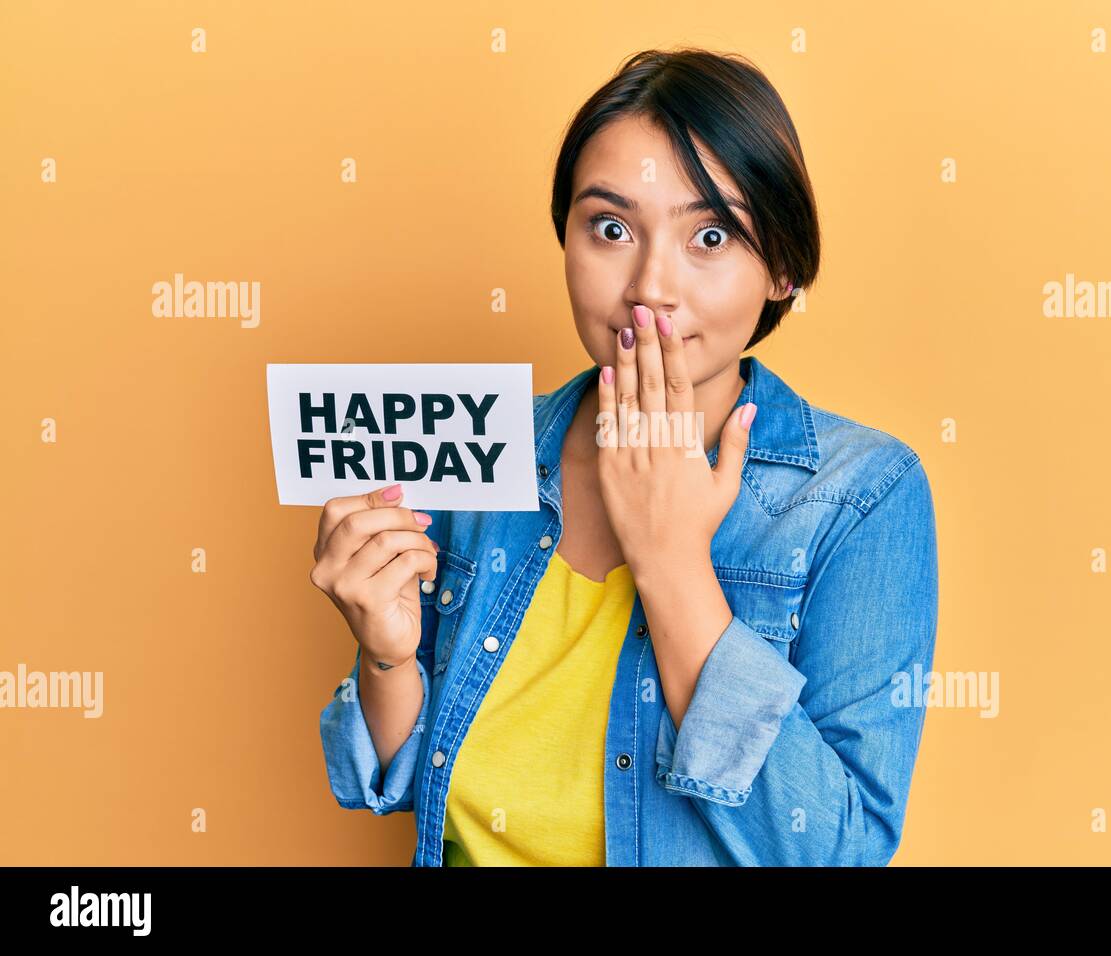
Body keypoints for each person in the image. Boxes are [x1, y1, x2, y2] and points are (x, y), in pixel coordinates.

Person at [313, 47, 939, 866]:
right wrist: (386, 656)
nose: (650, 285)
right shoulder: (484, 451)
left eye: (710, 235)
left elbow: (839, 851)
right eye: (610, 228)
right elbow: (392, 782)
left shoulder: (861, 494)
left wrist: (673, 567)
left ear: (783, 266)